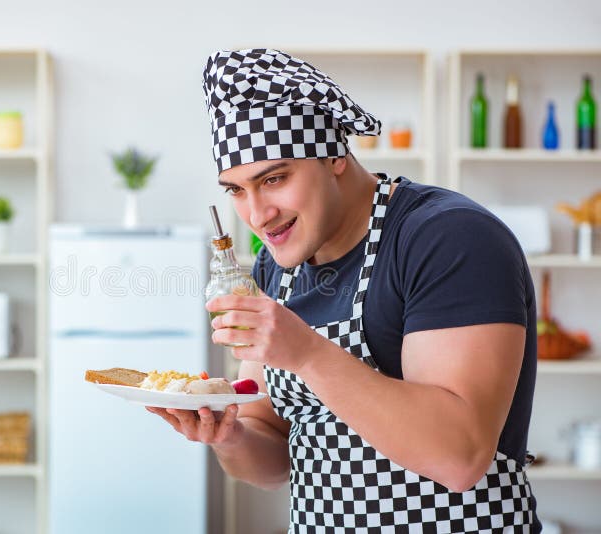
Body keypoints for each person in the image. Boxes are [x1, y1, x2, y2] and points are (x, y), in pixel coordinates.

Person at [146, 48, 540, 532]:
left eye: (274, 179)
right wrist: (227, 435)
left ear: (334, 155)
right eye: (236, 189)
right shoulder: (277, 266)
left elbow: (459, 458)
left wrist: (307, 353)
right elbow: (272, 456)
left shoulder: (448, 238)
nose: (257, 214)